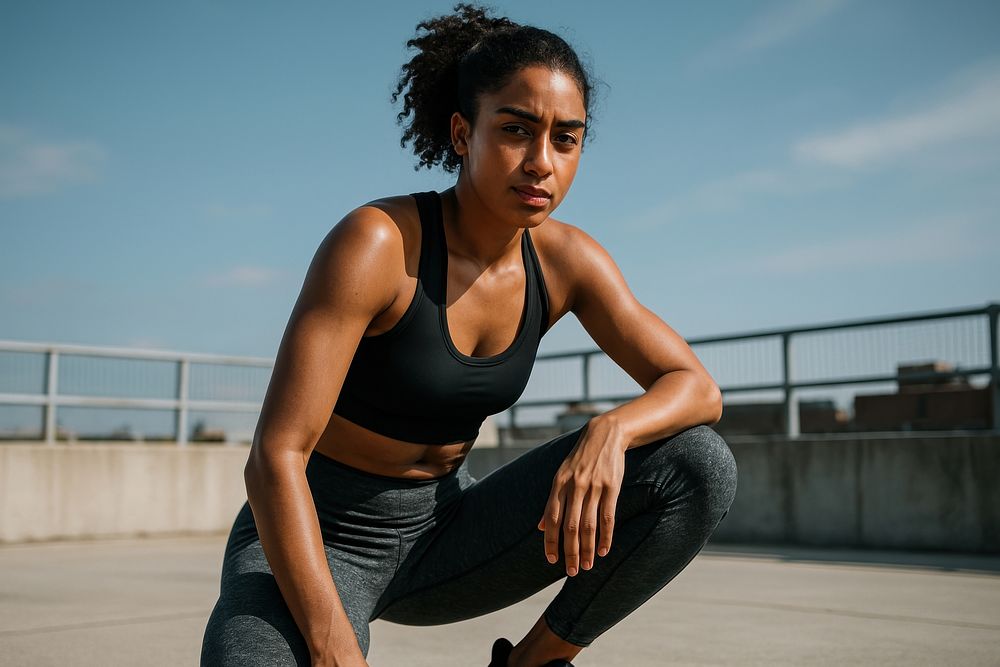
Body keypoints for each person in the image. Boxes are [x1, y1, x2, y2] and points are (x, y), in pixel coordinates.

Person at [200, 4, 738, 666]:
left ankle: (534, 662)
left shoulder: (569, 261)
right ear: (462, 133)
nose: (542, 162)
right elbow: (274, 456)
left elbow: (697, 388)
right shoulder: (378, 243)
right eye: (516, 130)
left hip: (444, 533)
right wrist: (333, 644)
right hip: (315, 538)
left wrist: (613, 430)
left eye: (566, 139)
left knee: (695, 463)